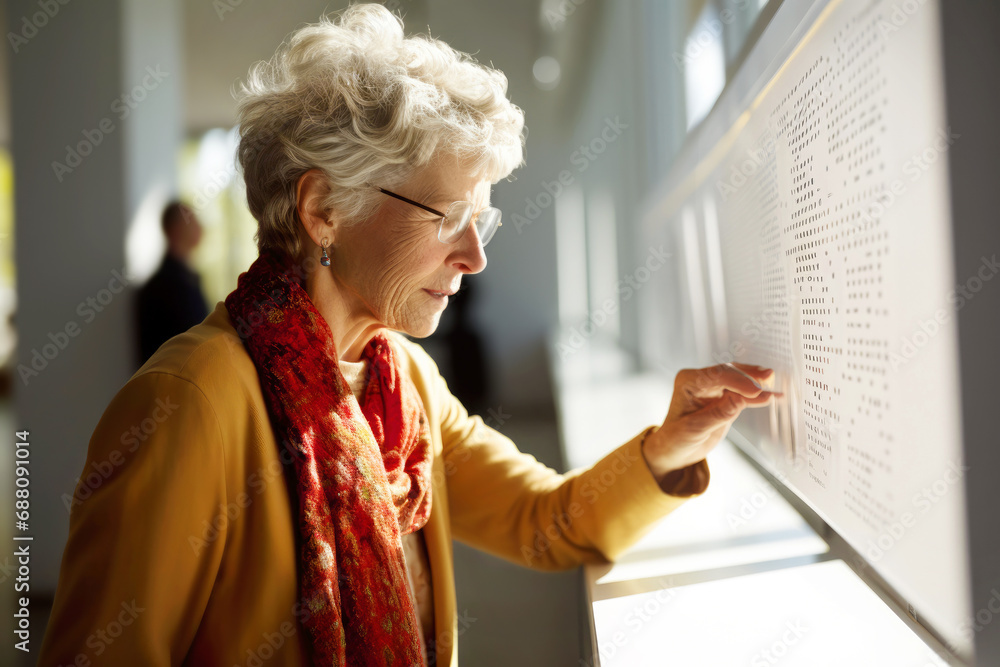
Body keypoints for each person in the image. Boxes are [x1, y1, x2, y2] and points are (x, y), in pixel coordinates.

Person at [37, 5, 780, 666]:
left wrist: (674, 443)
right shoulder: (190, 404)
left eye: (480, 220)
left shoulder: (405, 380)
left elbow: (546, 522)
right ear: (324, 207)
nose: (475, 255)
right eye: (447, 217)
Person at [134, 201, 209, 365]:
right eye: (192, 219)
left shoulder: (188, 280)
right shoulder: (161, 288)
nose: (200, 226)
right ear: (175, 229)